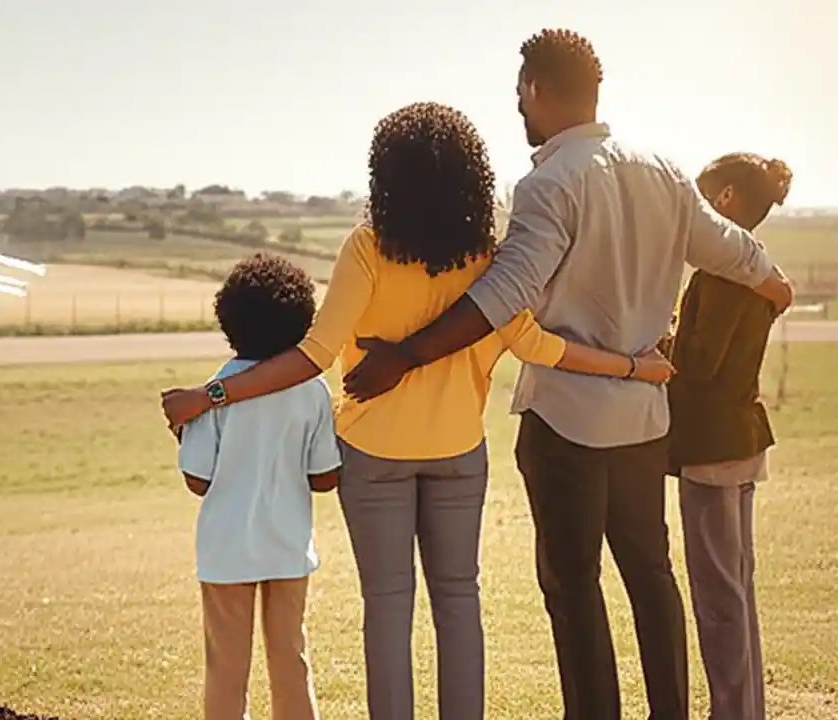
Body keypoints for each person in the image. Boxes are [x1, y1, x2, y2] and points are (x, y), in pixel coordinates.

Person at [337, 30, 795, 720]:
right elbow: (735, 252)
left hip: (566, 427)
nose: (519, 106)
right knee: (652, 578)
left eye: (521, 92)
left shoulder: (550, 183)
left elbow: (502, 295)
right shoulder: (663, 170)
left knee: (574, 590)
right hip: (644, 421)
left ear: (538, 90)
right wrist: (775, 283)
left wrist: (405, 355)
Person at [163, 102, 674, 720]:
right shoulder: (490, 255)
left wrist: (211, 395)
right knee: (460, 604)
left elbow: (312, 356)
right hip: (459, 453)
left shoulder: (368, 248)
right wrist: (633, 367)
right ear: (471, 178)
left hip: (373, 455)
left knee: (387, 609)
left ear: (387, 175)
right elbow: (542, 348)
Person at [177, 252, 342, 720]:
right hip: (288, 546)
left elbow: (198, 480)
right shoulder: (311, 389)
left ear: (230, 319)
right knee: (291, 658)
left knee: (227, 667)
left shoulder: (216, 390)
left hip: (227, 549)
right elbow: (325, 478)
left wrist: (182, 434)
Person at [669, 154, 792, 720]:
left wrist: (654, 345)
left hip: (712, 446)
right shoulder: (759, 268)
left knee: (719, 600)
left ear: (723, 202)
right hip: (740, 439)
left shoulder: (722, 274)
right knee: (737, 593)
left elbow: (699, 363)